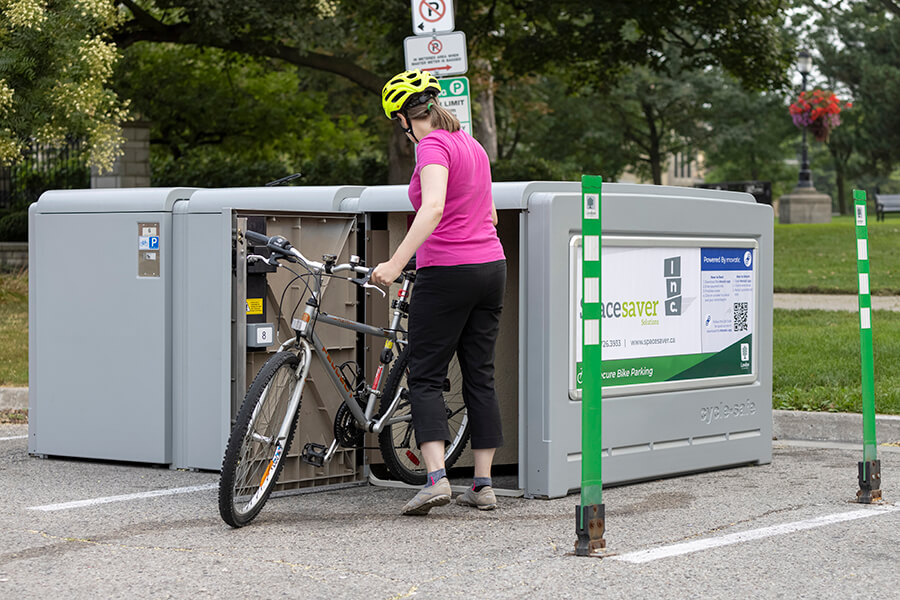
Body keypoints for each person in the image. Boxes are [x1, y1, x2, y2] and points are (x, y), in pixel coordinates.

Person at [371, 69, 506, 516]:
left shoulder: (431, 146)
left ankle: (436, 479)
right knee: (479, 374)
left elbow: (431, 209)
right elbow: (490, 214)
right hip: (492, 267)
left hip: (449, 271)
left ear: (405, 120)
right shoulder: (472, 145)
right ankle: (483, 485)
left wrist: (393, 264)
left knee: (426, 374)